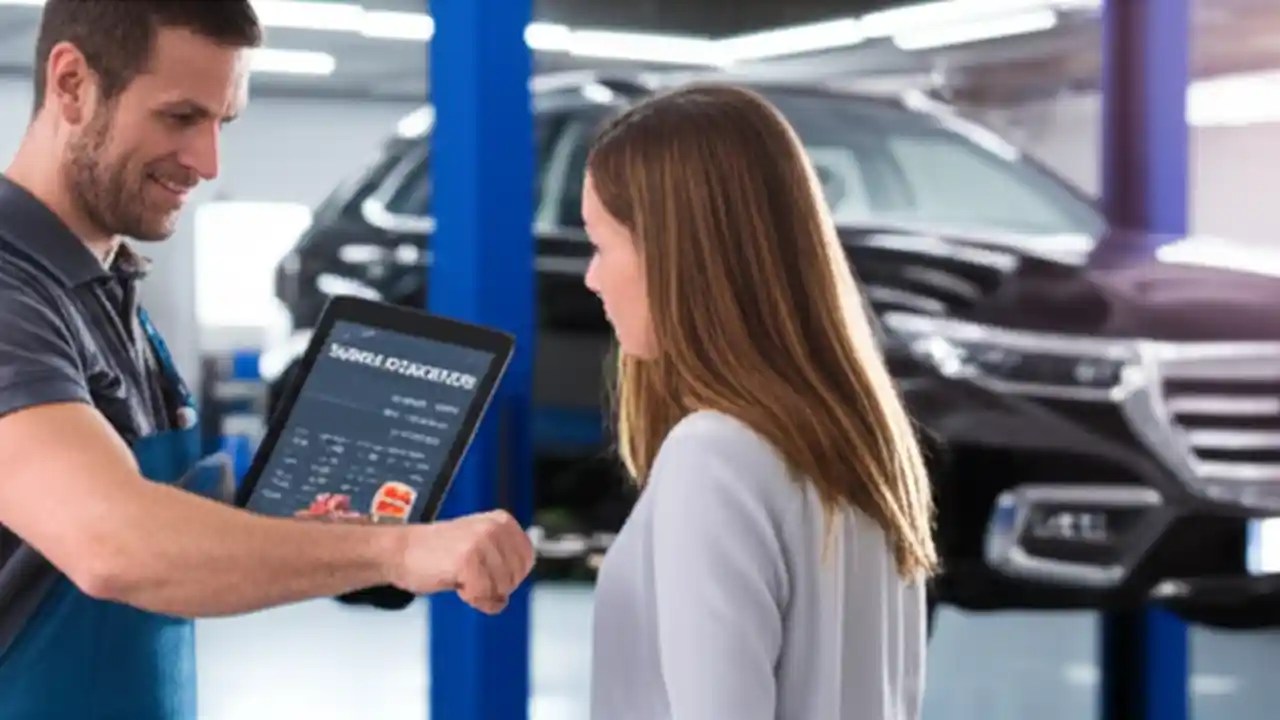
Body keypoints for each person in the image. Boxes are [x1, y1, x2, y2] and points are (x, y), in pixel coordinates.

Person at [0, 2, 533, 717]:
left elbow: (151, 519)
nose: (207, 163)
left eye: (222, 123)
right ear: (71, 83)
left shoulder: (112, 296)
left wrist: (302, 524)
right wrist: (397, 552)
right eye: (180, 117)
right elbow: (112, 542)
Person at [582, 83, 939, 719]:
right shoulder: (861, 448)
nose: (591, 277)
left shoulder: (711, 454)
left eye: (603, 244)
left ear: (677, 255)